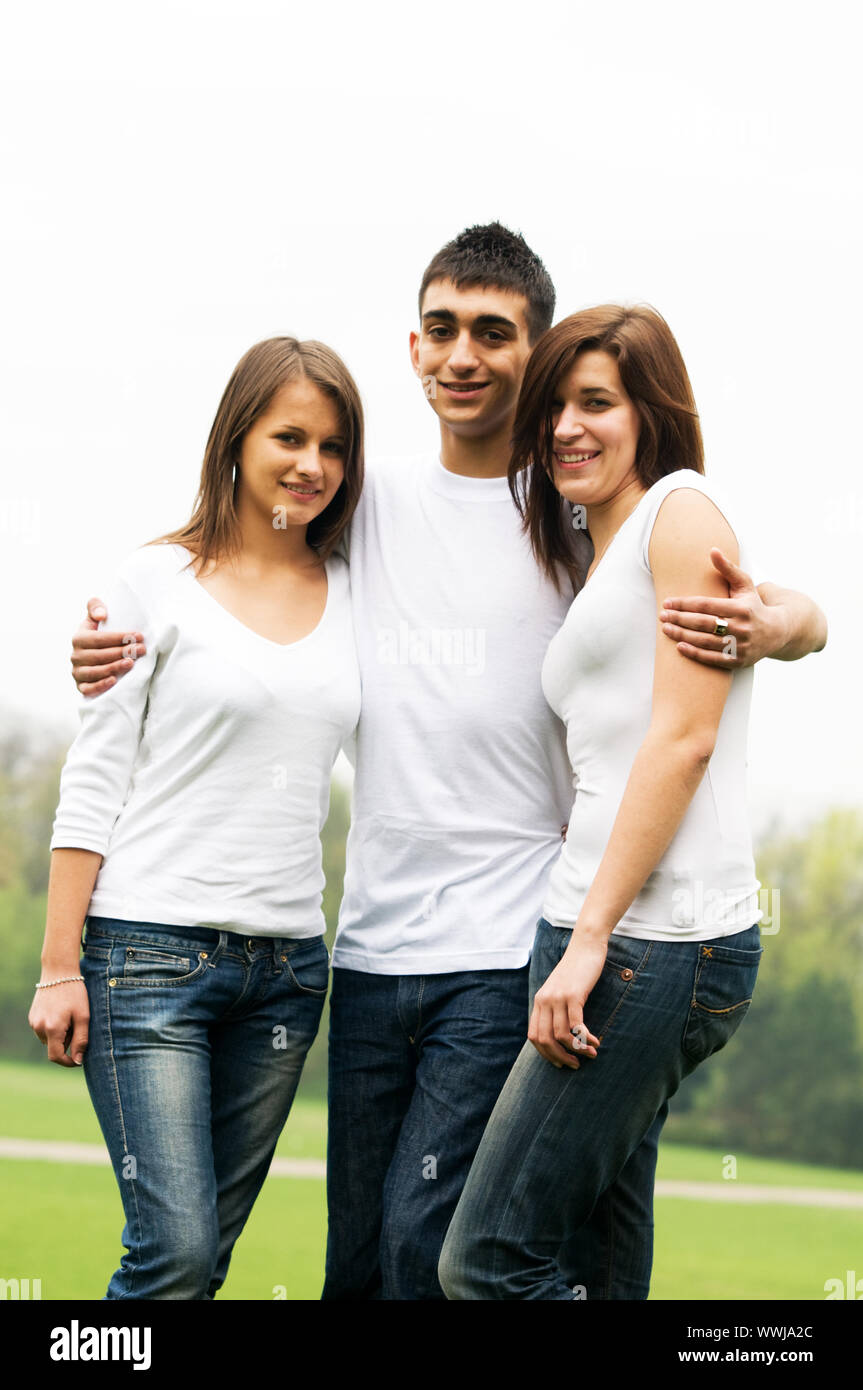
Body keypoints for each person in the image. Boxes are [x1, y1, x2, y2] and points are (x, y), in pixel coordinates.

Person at [68, 225, 827, 1301]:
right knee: (360, 1271)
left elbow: (744, 601)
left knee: (437, 1262)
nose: (463, 354)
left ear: (534, 350)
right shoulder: (356, 505)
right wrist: (113, 639)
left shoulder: (579, 516)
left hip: (505, 947)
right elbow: (232, 570)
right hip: (369, 953)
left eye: (493, 332)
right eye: (441, 329)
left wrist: (791, 619)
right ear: (412, 349)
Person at [438, 304, 773, 1300]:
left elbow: (682, 739)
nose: (565, 427)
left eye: (596, 403)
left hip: (649, 945)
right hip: (600, 934)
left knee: (485, 1261)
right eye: (552, 407)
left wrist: (589, 940)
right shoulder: (605, 547)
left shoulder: (680, 512)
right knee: (595, 1263)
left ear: (649, 411)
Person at [30, 336, 363, 1299]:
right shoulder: (152, 583)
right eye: (289, 436)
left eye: (334, 446)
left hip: (289, 973)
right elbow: (94, 779)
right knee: (172, 1250)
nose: (310, 464)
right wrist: (60, 966)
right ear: (237, 437)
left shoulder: (354, 594)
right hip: (147, 959)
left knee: (202, 1264)